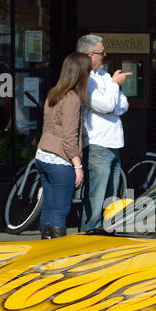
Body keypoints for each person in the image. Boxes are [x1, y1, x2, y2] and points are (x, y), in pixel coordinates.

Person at [76, 34, 129, 233]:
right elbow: (107, 104)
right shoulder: (86, 79)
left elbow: (123, 105)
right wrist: (115, 86)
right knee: (95, 199)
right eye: (101, 52)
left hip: (114, 142)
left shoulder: (105, 76)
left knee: (110, 199)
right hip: (98, 144)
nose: (105, 55)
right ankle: (88, 237)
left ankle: (104, 237)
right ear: (90, 55)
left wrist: (111, 100)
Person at [35, 52, 88, 239]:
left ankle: (44, 251)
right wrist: (78, 165)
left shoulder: (54, 93)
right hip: (60, 160)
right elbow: (68, 137)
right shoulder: (72, 98)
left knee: (48, 207)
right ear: (81, 74)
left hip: (42, 155)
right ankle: (56, 255)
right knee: (60, 208)